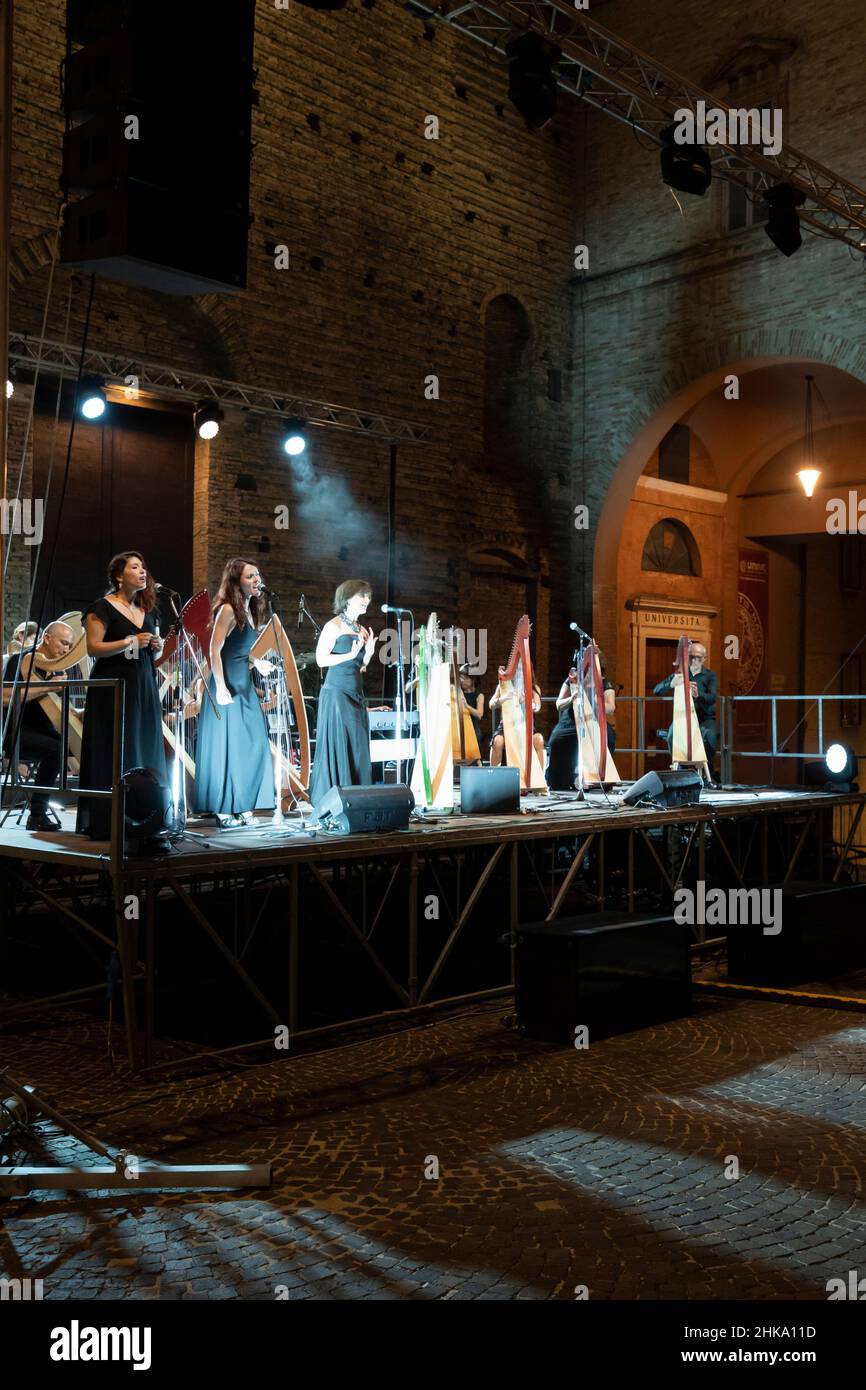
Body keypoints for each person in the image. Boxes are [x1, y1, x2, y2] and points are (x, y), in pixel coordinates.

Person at [76, 551, 167, 838]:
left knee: (144, 745)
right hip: (113, 685)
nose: (143, 572)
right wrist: (130, 640)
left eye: (144, 568)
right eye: (135, 567)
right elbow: (93, 648)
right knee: (117, 748)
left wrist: (157, 645)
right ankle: (110, 818)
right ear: (119, 575)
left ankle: (145, 816)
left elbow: (156, 650)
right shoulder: (101, 607)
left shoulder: (149, 610)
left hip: (144, 683)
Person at [193, 559, 276, 828]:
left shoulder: (251, 610)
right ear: (236, 582)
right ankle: (225, 807)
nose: (256, 579)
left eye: (258, 574)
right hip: (225, 684)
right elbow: (214, 650)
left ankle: (242, 803)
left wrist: (256, 662)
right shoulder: (228, 609)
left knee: (251, 744)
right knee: (226, 746)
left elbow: (239, 650)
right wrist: (220, 687)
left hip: (244, 683)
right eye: (250, 575)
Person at [309, 579, 376, 811]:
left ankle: (358, 794)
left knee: (357, 744)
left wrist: (367, 654)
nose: (366, 601)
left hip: (355, 692)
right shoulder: (334, 626)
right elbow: (321, 660)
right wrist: (350, 654)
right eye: (361, 596)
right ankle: (334, 797)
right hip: (336, 691)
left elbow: (361, 667)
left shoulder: (363, 630)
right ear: (347, 599)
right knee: (339, 742)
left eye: (368, 596)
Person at [2, 620, 74, 829]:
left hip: (44, 734)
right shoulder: (20, 661)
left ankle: (94, 807)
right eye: (63, 643)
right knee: (57, 749)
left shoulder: (55, 670)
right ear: (47, 639)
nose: (66, 649)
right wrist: (46, 687)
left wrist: (80, 712)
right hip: (17, 735)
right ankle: (37, 814)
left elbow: (59, 709)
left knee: (77, 743)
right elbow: (6, 698)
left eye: (70, 645)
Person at [546, 654, 616, 790]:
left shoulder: (605, 683)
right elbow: (559, 704)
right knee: (556, 739)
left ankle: (601, 778)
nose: (590, 672)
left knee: (609, 736)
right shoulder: (571, 680)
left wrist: (598, 701)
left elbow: (611, 708)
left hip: (594, 719)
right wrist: (571, 698)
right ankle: (560, 779)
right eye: (587, 668)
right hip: (571, 719)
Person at [654, 639, 718, 777]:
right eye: (691, 657)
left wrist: (698, 694)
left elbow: (712, 698)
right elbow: (656, 690)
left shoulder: (710, 676)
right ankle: (681, 770)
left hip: (704, 718)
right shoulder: (680, 674)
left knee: (710, 737)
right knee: (672, 735)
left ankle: (709, 775)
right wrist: (670, 684)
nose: (694, 660)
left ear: (704, 659)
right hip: (683, 718)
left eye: (698, 658)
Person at [489, 678, 544, 769]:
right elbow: (491, 704)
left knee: (538, 739)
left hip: (526, 727)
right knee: (498, 741)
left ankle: (540, 778)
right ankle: (494, 774)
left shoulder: (534, 687)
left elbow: (537, 707)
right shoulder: (502, 686)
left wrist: (528, 702)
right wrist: (504, 698)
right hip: (506, 727)